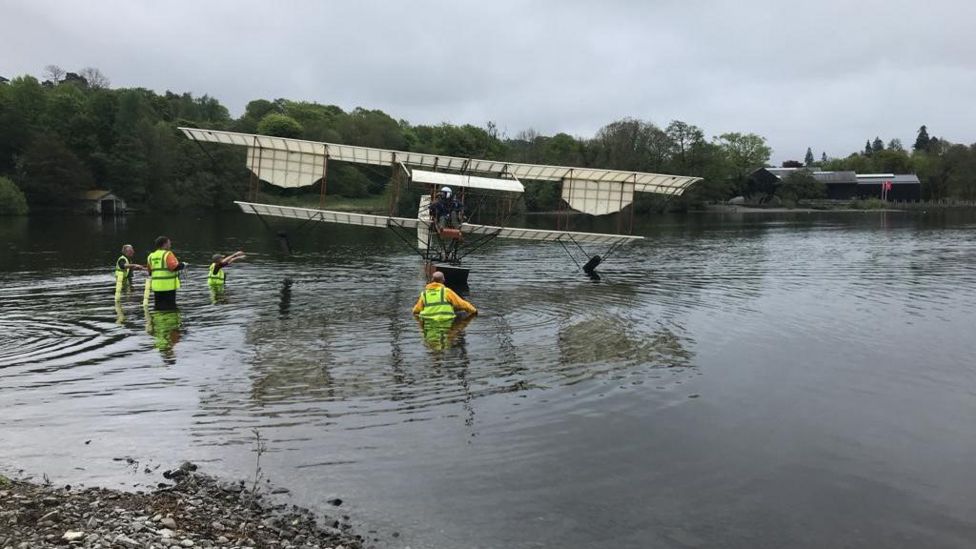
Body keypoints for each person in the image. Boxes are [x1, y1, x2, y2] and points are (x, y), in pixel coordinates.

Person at [412, 271, 477, 321]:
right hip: (446, 320)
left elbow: (416, 310)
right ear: (443, 280)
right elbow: (462, 304)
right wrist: (474, 311)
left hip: (427, 320)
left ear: (432, 280)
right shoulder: (446, 291)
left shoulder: (424, 294)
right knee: (463, 314)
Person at [146, 236, 186, 310]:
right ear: (164, 244)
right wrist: (183, 265)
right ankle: (170, 321)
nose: (170, 245)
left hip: (156, 287)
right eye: (169, 243)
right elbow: (173, 267)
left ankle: (159, 321)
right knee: (170, 308)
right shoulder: (167, 254)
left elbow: (150, 272)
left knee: (158, 308)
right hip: (168, 287)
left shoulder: (151, 256)